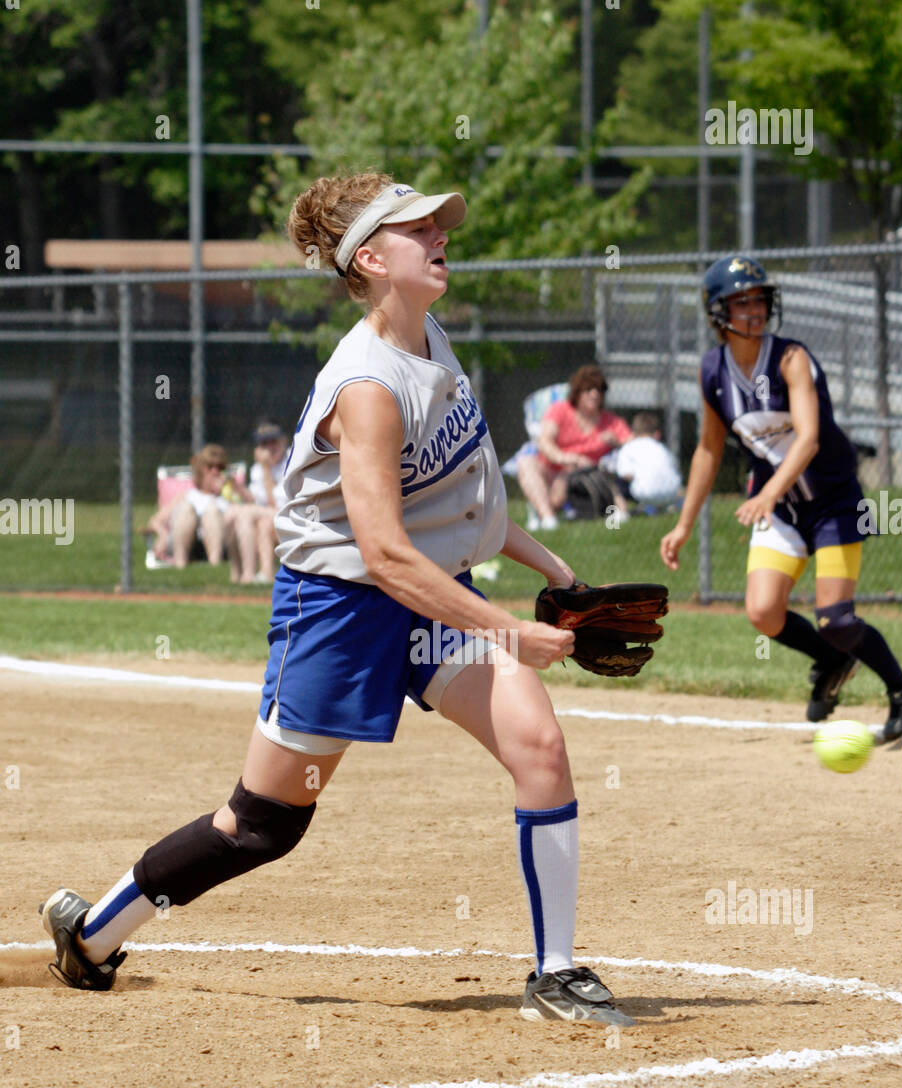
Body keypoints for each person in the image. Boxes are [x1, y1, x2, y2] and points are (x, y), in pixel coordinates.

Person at [40, 172, 637, 1028]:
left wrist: (557, 572)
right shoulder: (367, 386)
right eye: (415, 228)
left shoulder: (432, 337)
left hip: (434, 602)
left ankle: (557, 974)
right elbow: (387, 553)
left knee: (539, 745)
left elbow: (463, 502)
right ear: (369, 258)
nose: (438, 234)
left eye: (437, 223)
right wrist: (510, 628)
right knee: (262, 825)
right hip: (342, 609)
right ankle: (92, 935)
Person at [660, 255, 902, 741]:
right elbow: (707, 451)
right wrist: (683, 524)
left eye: (759, 298)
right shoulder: (712, 371)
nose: (754, 309)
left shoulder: (791, 359)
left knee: (836, 619)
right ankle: (831, 661)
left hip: (834, 503)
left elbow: (808, 439)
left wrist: (768, 494)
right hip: (781, 509)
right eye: (741, 301)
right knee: (762, 612)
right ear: (718, 312)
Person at [517, 364, 632, 530]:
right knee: (526, 463)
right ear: (577, 392)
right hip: (553, 468)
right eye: (589, 389)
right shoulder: (560, 411)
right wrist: (571, 459)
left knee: (563, 494)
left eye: (599, 390)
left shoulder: (611, 422)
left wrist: (617, 442)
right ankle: (548, 519)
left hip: (588, 476)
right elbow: (545, 442)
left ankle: (546, 509)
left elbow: (637, 445)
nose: (594, 394)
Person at [225, 422, 290, 585]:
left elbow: (275, 504)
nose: (269, 448)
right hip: (270, 517)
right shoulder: (257, 468)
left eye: (273, 442)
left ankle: (248, 574)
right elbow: (257, 501)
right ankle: (246, 573)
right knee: (243, 516)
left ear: (283, 441)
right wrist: (239, 489)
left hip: (292, 516)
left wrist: (267, 469)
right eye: (264, 444)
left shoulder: (292, 461)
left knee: (244, 513)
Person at [601, 411, 682, 524]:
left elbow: (625, 474)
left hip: (646, 492)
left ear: (632, 433)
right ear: (657, 434)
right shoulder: (663, 448)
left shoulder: (628, 448)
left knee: (613, 479)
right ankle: (664, 507)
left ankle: (622, 512)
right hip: (671, 493)